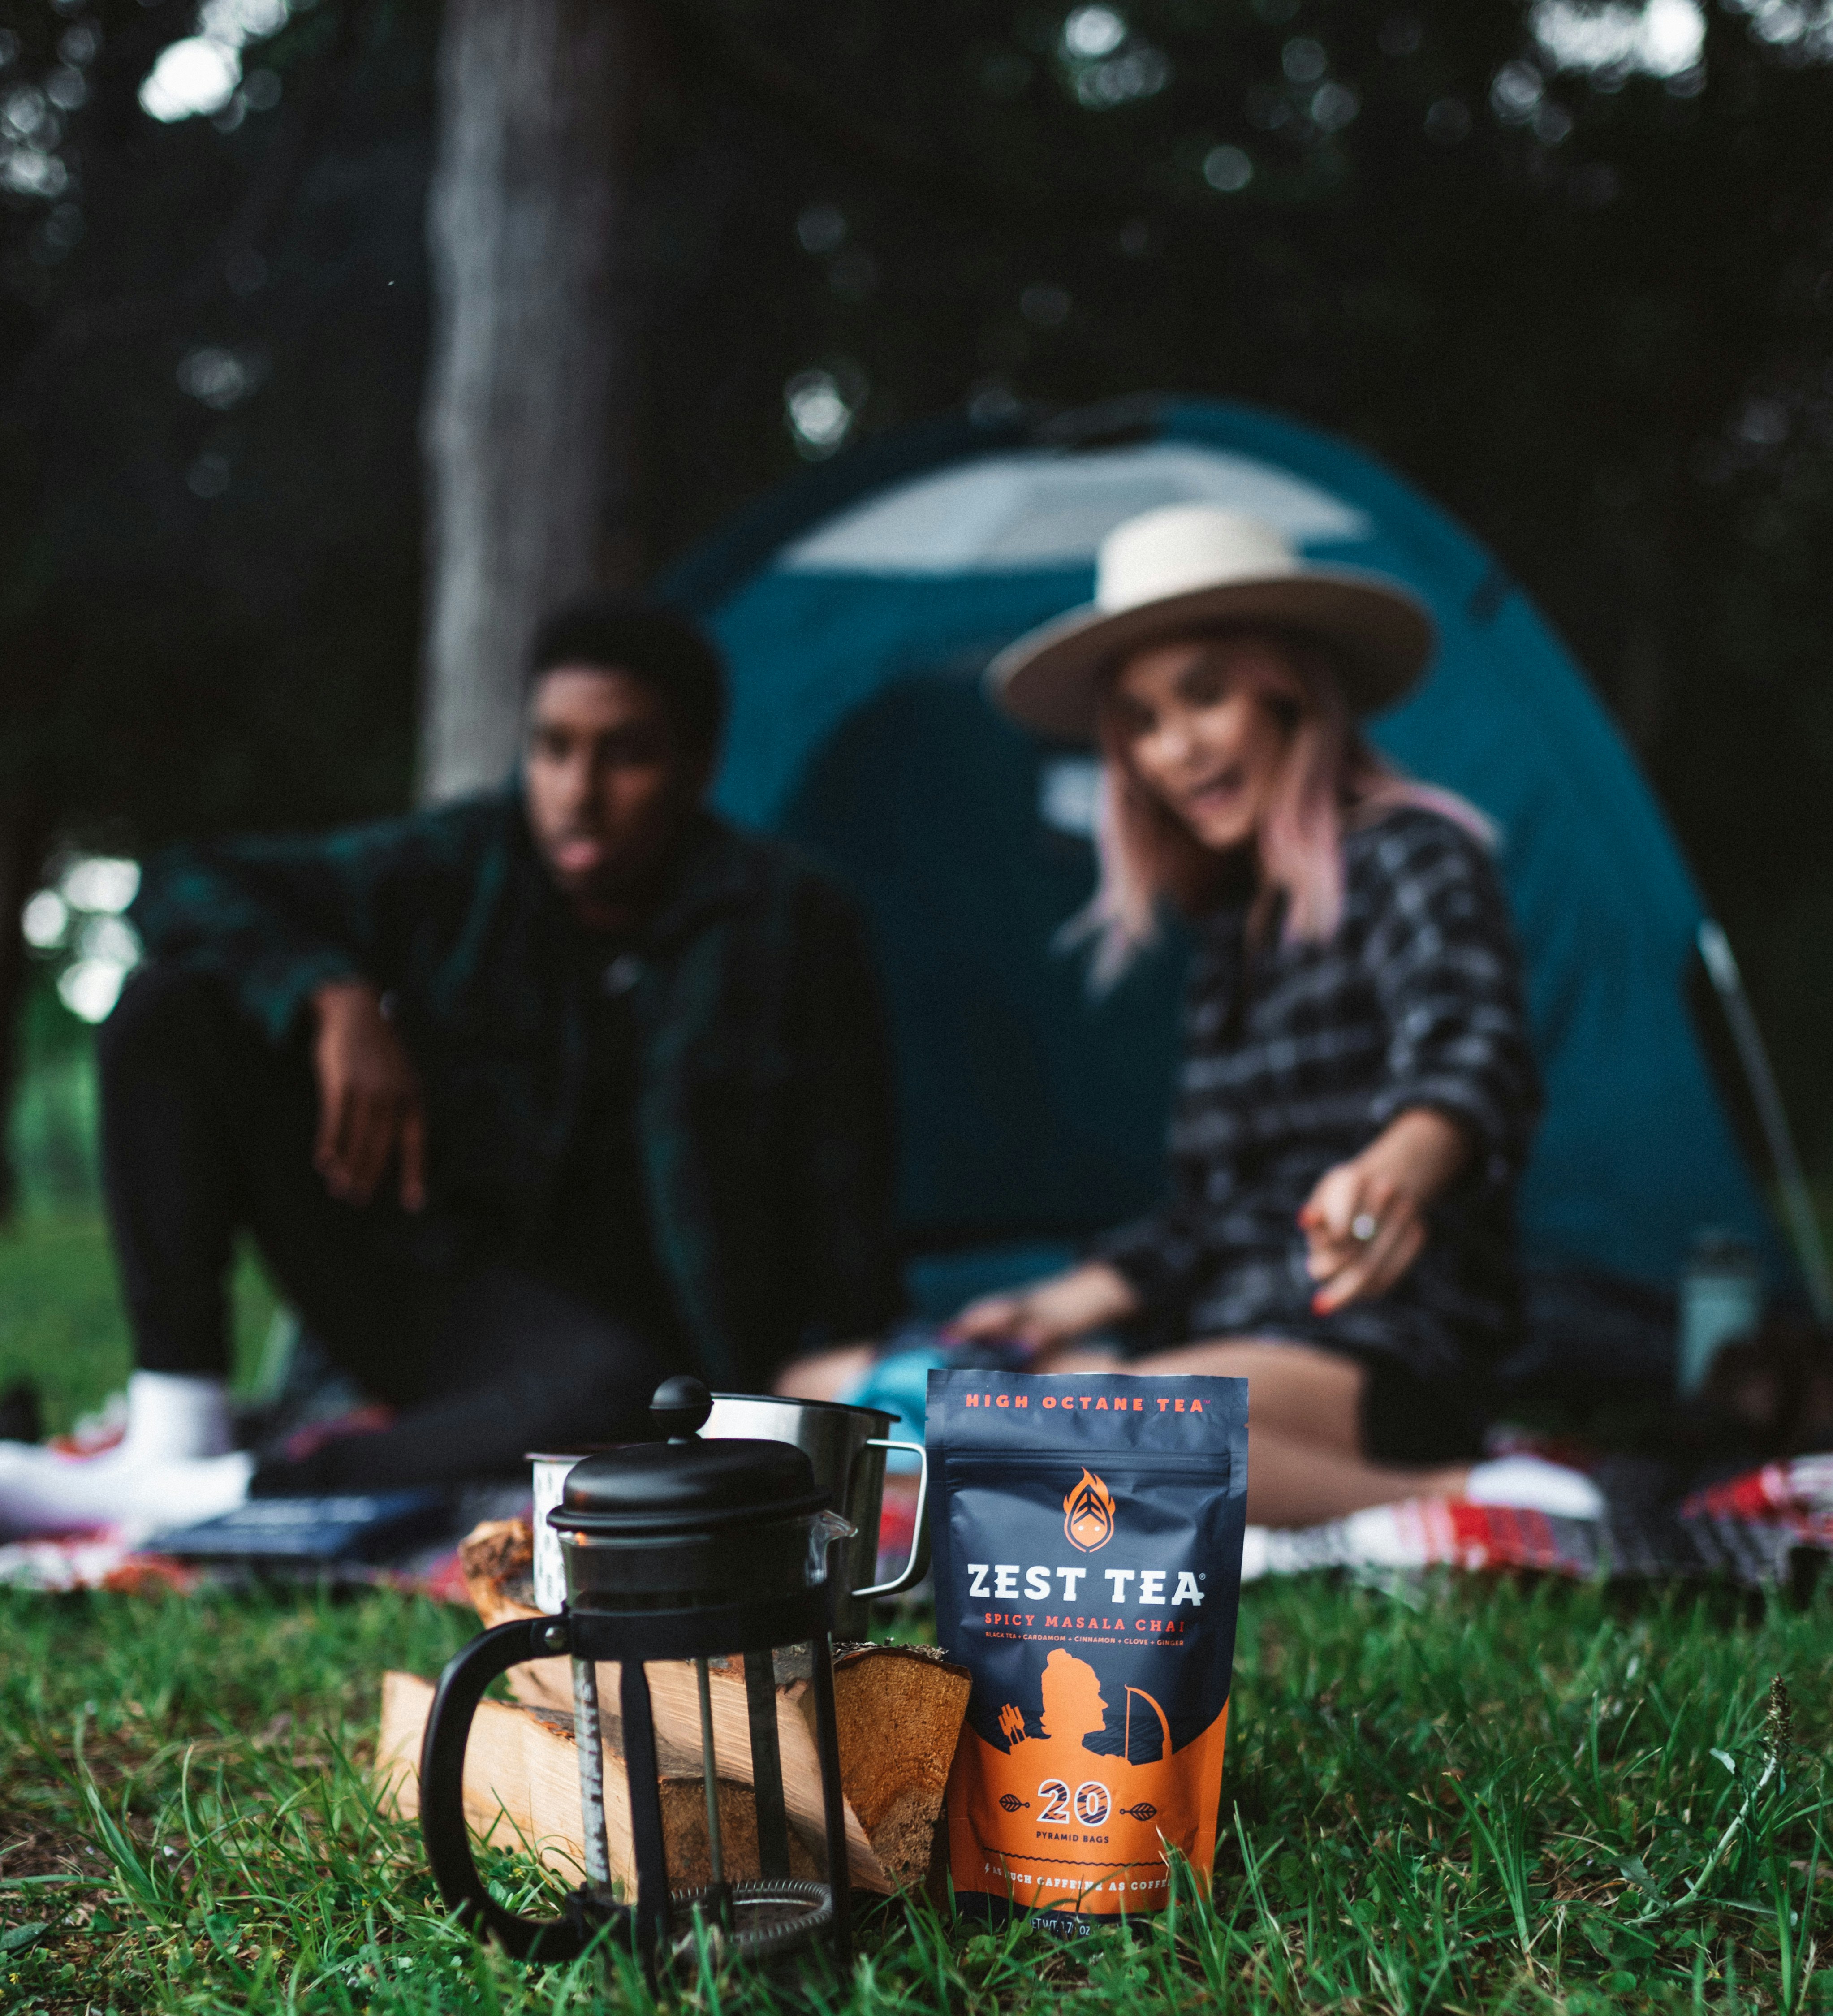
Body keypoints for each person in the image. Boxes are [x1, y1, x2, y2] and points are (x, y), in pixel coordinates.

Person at [0, 599, 897, 1535]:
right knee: (169, 1007)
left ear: (696, 766)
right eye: (553, 748)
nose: (578, 790)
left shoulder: (791, 921)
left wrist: (833, 1364)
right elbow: (183, 884)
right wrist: (331, 994)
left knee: (617, 1405)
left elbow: (845, 1188)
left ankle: (220, 1496)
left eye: (623, 755)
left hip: (647, 1353)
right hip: (437, 1290)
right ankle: (176, 1429)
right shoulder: (465, 864)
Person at [949, 505, 1596, 1528]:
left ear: (1289, 691)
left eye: (1203, 696)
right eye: (1143, 721)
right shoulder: (1235, 940)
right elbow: (1214, 1212)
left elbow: (1473, 1052)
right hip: (1240, 1331)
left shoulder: (1415, 852)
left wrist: (1393, 1174)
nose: (1173, 750)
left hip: (1383, 1340)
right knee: (974, 1401)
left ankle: (1458, 1497)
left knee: (1046, 1437)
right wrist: (1059, 1305)